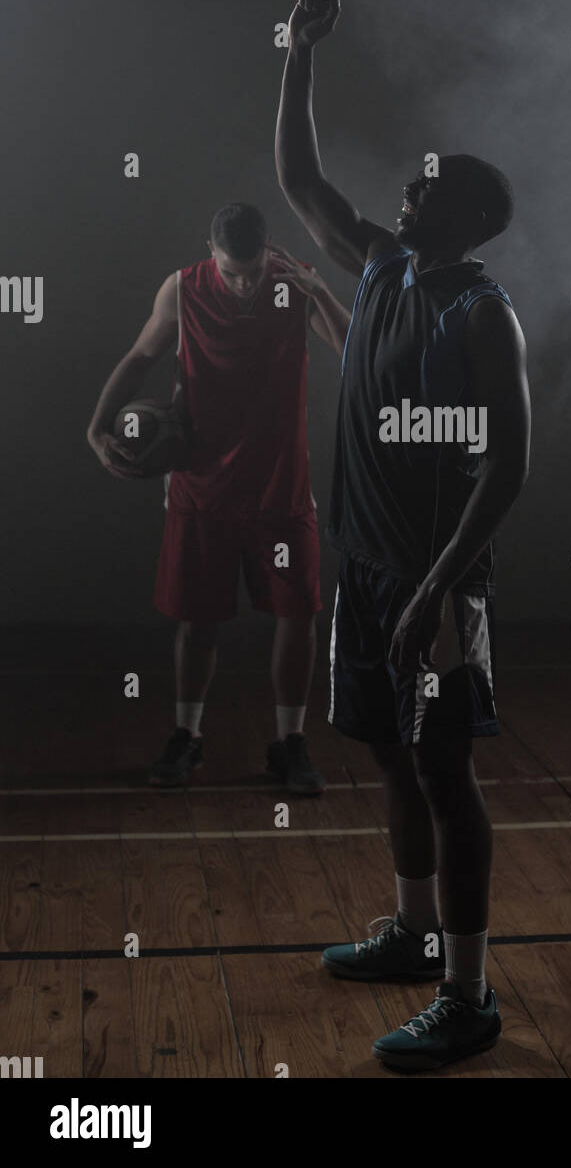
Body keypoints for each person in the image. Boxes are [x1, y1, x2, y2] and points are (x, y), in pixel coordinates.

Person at [275, 0, 531, 1071]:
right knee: (386, 752)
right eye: (415, 177)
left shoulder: (481, 313)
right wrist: (297, 53)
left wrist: (435, 590)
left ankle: (467, 994)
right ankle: (414, 930)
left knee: (442, 772)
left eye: (431, 184)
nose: (409, 183)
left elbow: (507, 465)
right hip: (369, 572)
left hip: (437, 585)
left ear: (465, 219)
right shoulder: (380, 265)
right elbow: (300, 181)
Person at [87, 203, 351, 793]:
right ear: (211, 252)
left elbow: (354, 350)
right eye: (233, 272)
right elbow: (139, 358)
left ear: (268, 251)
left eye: (253, 269)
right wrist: (97, 426)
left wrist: (320, 292)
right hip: (202, 485)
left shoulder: (291, 285)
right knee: (198, 619)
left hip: (281, 487)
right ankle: (188, 736)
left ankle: (290, 743)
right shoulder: (183, 290)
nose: (245, 281)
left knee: (297, 614)